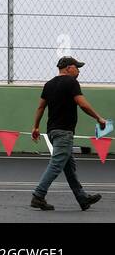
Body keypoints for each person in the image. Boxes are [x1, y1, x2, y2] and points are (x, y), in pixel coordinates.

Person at [30, 56, 107, 211]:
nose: (78, 71)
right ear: (68, 68)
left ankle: (82, 198)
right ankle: (38, 195)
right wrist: (98, 117)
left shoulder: (49, 84)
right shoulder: (71, 82)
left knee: (69, 167)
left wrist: (36, 127)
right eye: (77, 67)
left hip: (52, 131)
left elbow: (40, 108)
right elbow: (82, 103)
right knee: (57, 164)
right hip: (64, 132)